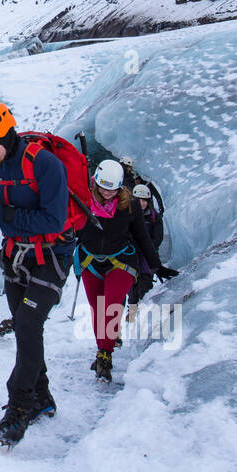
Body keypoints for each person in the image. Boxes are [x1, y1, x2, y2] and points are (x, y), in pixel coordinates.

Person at [0, 101, 75, 446]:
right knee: (25, 328)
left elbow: (54, 220)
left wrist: (6, 215)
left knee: (29, 323)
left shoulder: (45, 164)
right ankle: (42, 396)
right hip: (16, 256)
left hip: (52, 255)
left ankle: (19, 408)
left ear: (7, 134)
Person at [73, 160, 175, 383]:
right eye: (103, 187)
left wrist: (156, 265)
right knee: (97, 309)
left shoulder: (130, 205)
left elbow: (142, 236)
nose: (107, 193)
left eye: (112, 189)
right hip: (91, 261)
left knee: (111, 306)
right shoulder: (84, 199)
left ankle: (105, 354)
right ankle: (103, 349)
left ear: (120, 186)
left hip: (121, 261)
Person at [125, 183, 167, 321]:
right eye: (138, 200)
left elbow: (158, 236)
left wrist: (149, 248)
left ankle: (144, 310)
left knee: (145, 281)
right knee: (131, 282)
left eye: (144, 200)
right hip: (131, 253)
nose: (141, 203)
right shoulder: (128, 214)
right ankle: (132, 310)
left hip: (146, 255)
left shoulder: (153, 216)